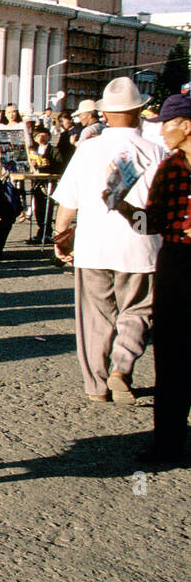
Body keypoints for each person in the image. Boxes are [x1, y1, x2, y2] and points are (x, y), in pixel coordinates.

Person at [52, 76, 163, 405]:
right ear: (140, 109)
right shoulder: (156, 150)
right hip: (141, 244)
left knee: (95, 317)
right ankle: (122, 367)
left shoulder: (88, 149)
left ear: (104, 113)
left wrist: (61, 237)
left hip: (93, 245)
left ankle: (97, 386)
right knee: (138, 309)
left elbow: (68, 201)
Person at [115, 94, 191, 463]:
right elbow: (154, 223)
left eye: (166, 124)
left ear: (186, 126)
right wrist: (123, 207)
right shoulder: (170, 167)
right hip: (177, 263)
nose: (160, 131)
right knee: (173, 353)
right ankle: (168, 442)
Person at [26, 127, 64, 244]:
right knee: (38, 207)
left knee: (48, 206)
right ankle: (41, 230)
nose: (41, 138)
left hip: (49, 182)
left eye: (44, 135)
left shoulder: (54, 150)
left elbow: (60, 165)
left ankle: (47, 231)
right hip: (37, 181)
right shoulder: (33, 150)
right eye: (38, 136)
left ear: (48, 136)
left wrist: (48, 165)